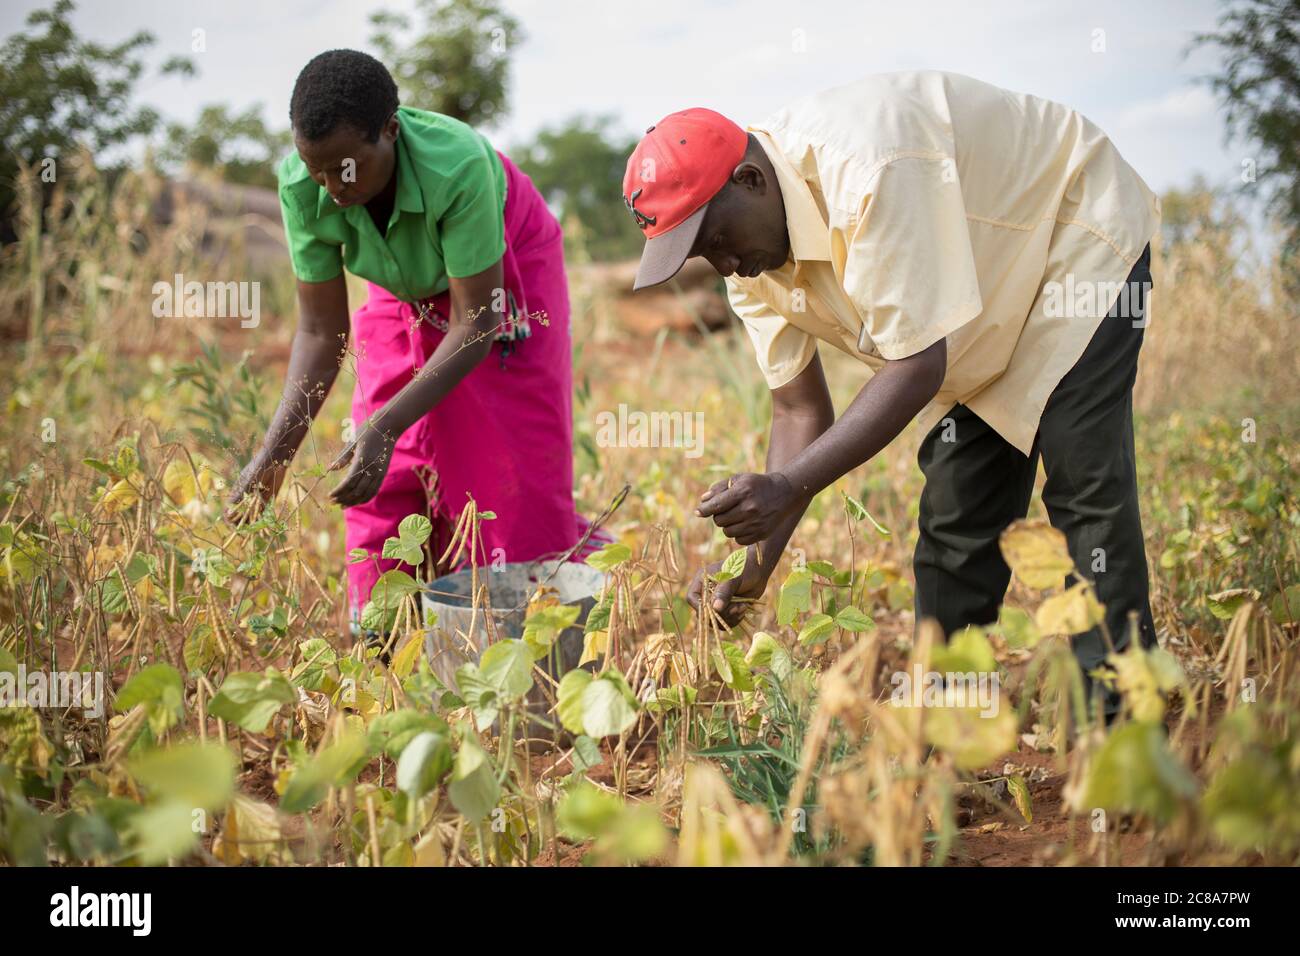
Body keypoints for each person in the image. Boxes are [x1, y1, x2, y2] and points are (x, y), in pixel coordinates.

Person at [623, 72, 1161, 721]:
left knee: (1082, 479)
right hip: (979, 295)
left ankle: (1120, 721)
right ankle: (946, 720)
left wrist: (787, 487)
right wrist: (753, 570)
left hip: (1070, 236)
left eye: (713, 240)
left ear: (752, 182)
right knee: (957, 517)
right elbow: (799, 411)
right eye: (700, 256)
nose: (724, 266)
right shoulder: (751, 267)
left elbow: (914, 366)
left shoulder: (870, 166)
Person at [226, 49, 602, 634]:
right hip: (401, 290)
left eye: (344, 169)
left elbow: (477, 322)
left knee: (506, 464)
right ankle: (383, 637)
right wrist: (275, 453)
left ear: (390, 132)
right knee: (382, 470)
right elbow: (322, 330)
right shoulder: (306, 185)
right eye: (316, 170)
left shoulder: (456, 167)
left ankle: (520, 635)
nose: (330, 189)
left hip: (500, 281)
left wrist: (385, 426)